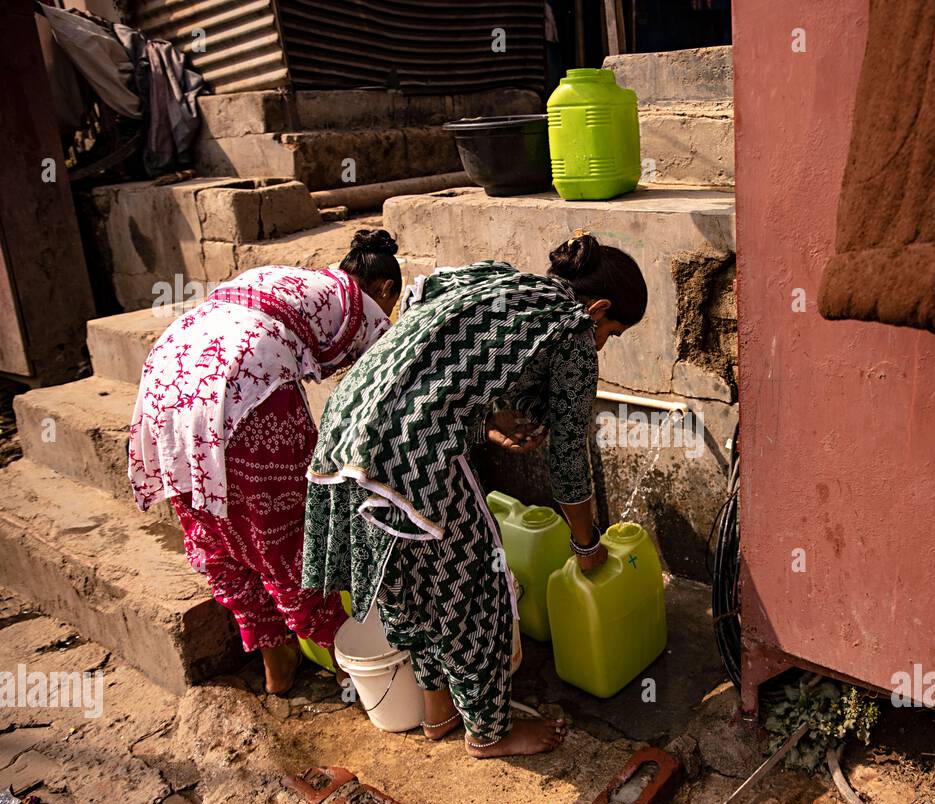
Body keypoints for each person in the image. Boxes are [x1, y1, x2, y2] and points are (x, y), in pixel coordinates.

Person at [302, 232, 648, 757]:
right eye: (614, 332)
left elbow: (423, 306)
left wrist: (481, 420)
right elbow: (568, 459)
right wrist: (585, 543)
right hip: (408, 449)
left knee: (408, 581)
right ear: (597, 308)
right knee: (474, 588)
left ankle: (437, 710)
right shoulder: (573, 331)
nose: (604, 344)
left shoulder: (502, 280)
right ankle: (490, 732)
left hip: (348, 422)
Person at [128, 229, 402, 694]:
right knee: (286, 535)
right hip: (243, 396)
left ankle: (277, 660)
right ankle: (354, 667)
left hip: (167, 386)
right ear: (386, 290)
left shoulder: (292, 280)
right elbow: (387, 390)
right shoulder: (365, 307)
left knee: (218, 533)